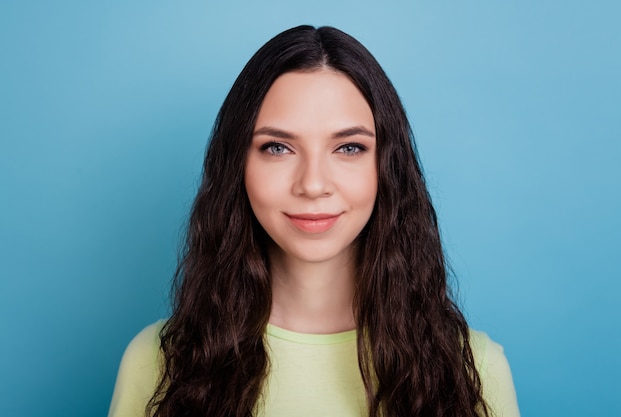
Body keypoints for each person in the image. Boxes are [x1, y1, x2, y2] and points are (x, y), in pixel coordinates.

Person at [108, 25, 520, 417]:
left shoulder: (474, 368)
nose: (313, 184)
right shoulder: (159, 362)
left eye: (349, 148)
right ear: (237, 164)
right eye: (277, 147)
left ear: (387, 167)